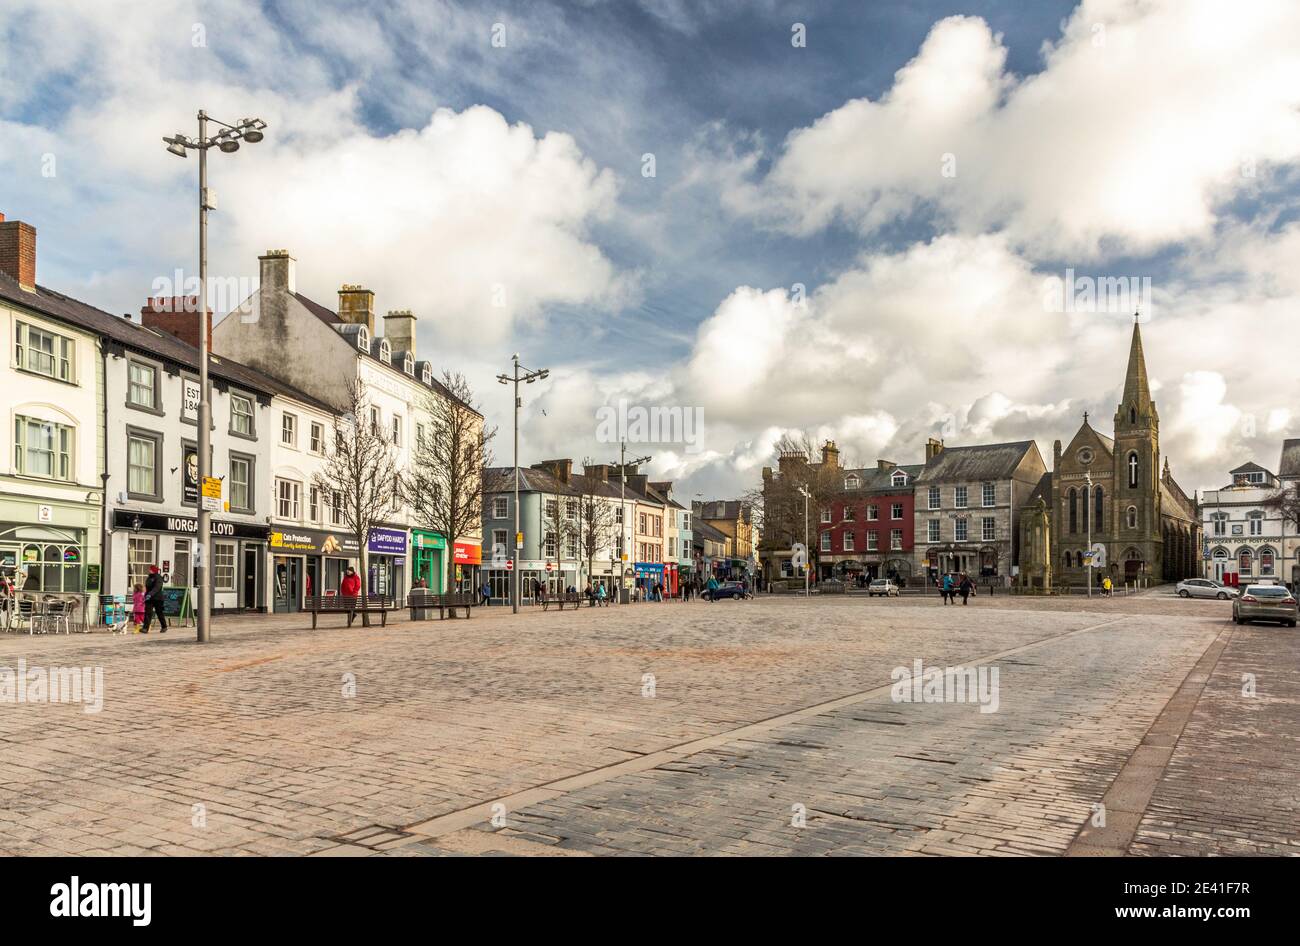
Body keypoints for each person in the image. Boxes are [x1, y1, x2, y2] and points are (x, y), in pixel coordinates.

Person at [141, 564, 168, 633]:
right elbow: (147, 587)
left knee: (159, 612)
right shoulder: (149, 577)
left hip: (158, 598)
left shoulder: (158, 578)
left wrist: (150, 594)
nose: (149, 570)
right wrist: (145, 595)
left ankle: (164, 626)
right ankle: (145, 628)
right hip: (149, 598)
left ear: (153, 570)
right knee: (148, 613)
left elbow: (157, 588)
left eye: (150, 569)